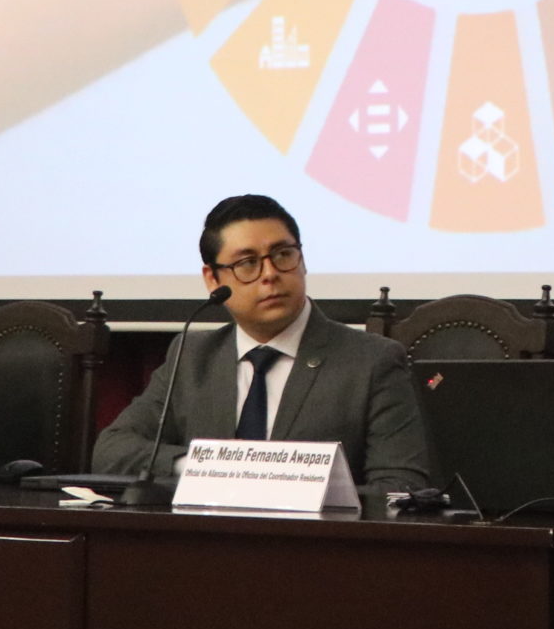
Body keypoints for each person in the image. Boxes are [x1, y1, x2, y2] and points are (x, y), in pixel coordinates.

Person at [92, 195, 433, 493]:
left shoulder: (372, 362)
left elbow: (400, 487)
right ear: (213, 279)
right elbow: (111, 449)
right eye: (248, 263)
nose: (270, 274)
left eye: (283, 254)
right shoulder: (193, 356)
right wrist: (205, 465)